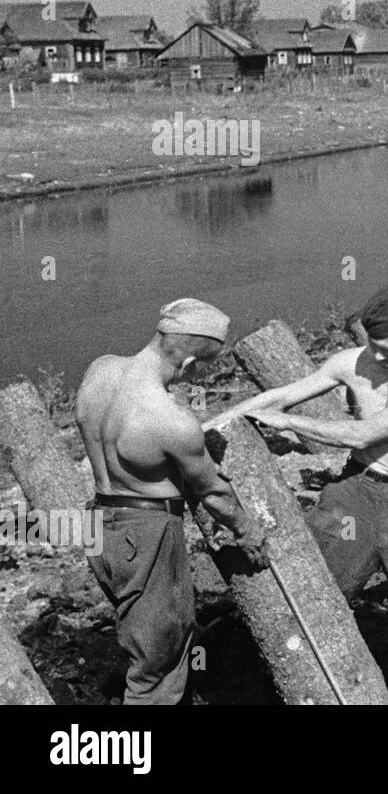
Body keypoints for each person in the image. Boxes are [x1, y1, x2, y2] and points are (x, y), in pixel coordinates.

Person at [205, 282, 388, 704]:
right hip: (355, 496)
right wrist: (219, 423)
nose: (376, 356)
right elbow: (285, 394)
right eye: (372, 344)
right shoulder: (353, 361)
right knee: (315, 592)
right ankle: (249, 671)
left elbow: (363, 433)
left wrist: (291, 424)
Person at [75, 298, 269, 705]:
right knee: (158, 659)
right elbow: (214, 492)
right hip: (145, 535)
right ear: (187, 366)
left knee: (137, 622)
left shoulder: (100, 369)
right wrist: (248, 532)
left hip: (97, 523)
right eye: (203, 368)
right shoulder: (170, 421)